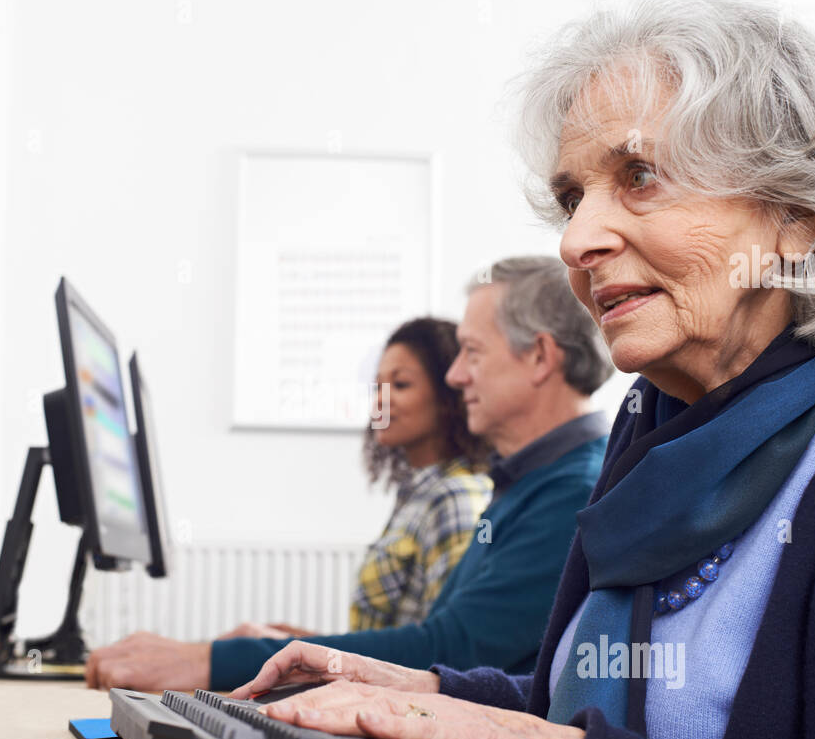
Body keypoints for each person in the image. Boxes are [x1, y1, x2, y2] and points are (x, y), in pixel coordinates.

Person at [233, 0, 815, 739]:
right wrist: (433, 695)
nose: (574, 240)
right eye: (570, 197)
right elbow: (599, 701)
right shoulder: (661, 416)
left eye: (638, 176)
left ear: (796, 221)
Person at [85, 257, 615, 692]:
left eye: (471, 353)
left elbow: (447, 650)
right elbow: (443, 642)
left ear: (540, 357)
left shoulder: (572, 490)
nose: (456, 375)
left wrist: (210, 662)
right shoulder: (530, 479)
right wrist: (296, 651)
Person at [218, 316, 492, 640]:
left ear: (449, 397)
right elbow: (394, 644)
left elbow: (438, 650)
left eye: (400, 385)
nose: (380, 400)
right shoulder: (417, 493)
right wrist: (298, 642)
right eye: (377, 386)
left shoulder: (455, 497)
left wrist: (303, 649)